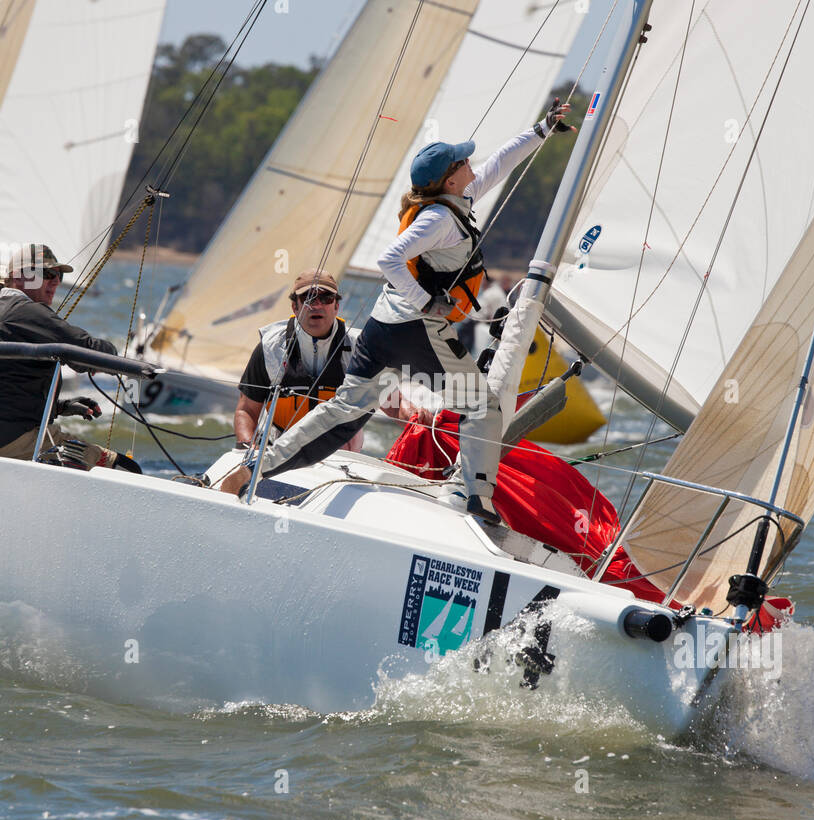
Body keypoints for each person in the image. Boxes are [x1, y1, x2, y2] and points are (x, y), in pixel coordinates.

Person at [221, 101, 574, 519]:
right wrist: (428, 301)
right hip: (415, 328)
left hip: (382, 327)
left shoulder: (455, 199)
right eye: (464, 161)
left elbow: (500, 165)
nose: (471, 164)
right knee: (480, 406)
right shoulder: (439, 219)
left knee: (345, 411)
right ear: (450, 176)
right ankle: (478, 501)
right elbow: (389, 259)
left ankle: (254, 468)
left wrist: (541, 130)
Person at [0, 243, 139, 471]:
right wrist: (115, 358)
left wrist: (61, 407)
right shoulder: (27, 311)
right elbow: (87, 348)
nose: (56, 281)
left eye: (59, 275)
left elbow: (9, 386)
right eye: (47, 274)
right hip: (14, 440)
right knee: (126, 469)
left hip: (8, 433)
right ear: (18, 276)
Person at [232, 270, 365, 454]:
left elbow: (392, 401)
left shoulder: (361, 348)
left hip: (340, 456)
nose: (317, 304)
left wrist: (413, 416)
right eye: (308, 298)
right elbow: (246, 410)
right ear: (295, 307)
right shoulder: (270, 347)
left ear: (336, 307)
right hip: (276, 452)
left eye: (326, 298)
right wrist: (249, 448)